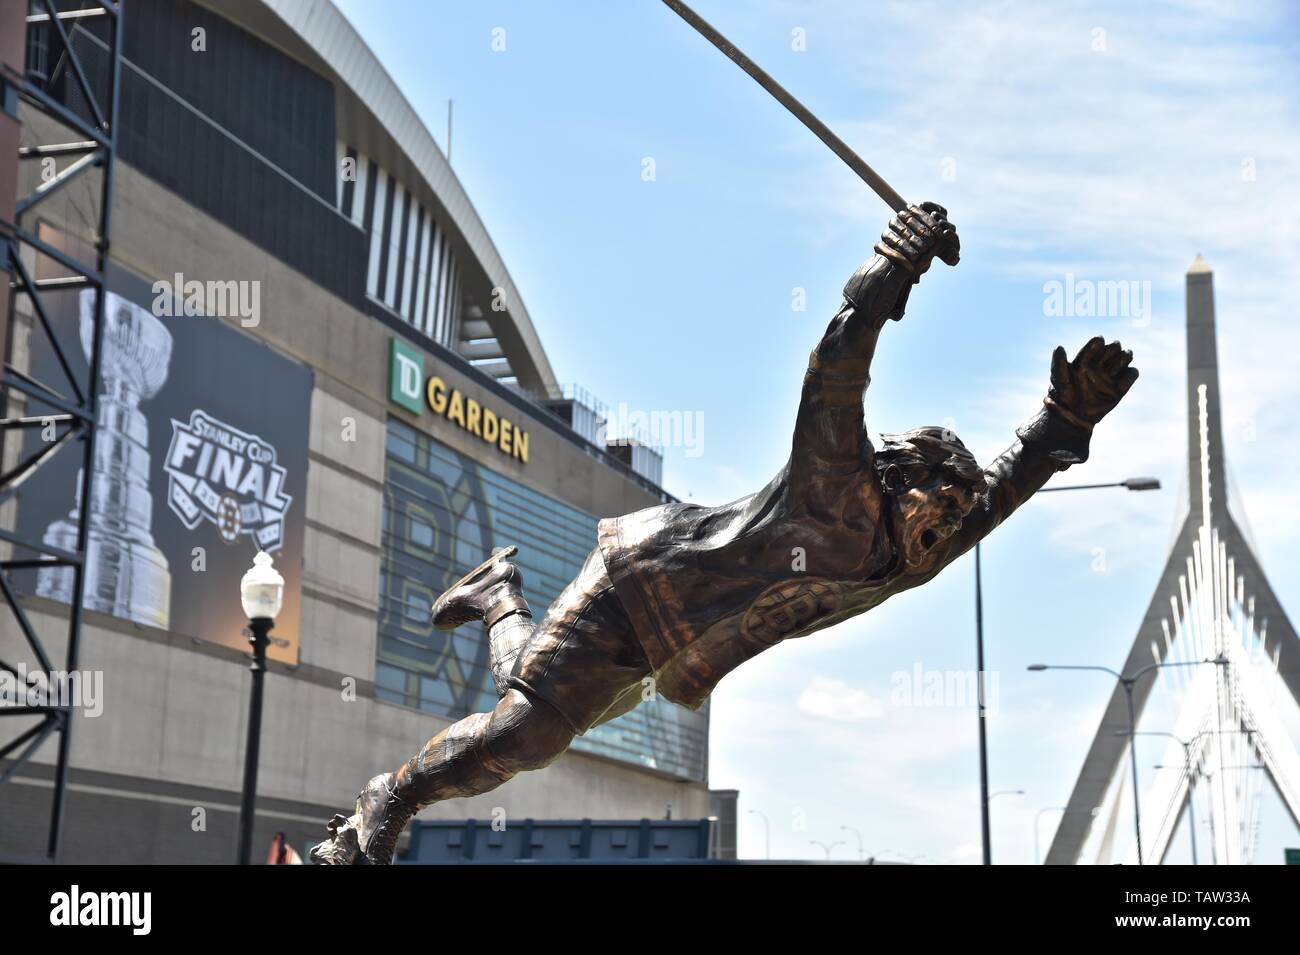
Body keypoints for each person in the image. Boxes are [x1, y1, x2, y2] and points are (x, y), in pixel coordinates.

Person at [311, 202, 1138, 864]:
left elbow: (996, 497)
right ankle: (390, 800)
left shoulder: (911, 551)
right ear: (901, 479)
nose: (950, 525)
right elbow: (837, 366)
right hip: (649, 580)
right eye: (940, 506)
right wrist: (895, 262)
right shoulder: (839, 482)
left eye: (955, 518)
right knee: (532, 729)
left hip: (676, 645)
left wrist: (1060, 419)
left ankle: (498, 595)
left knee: (535, 708)